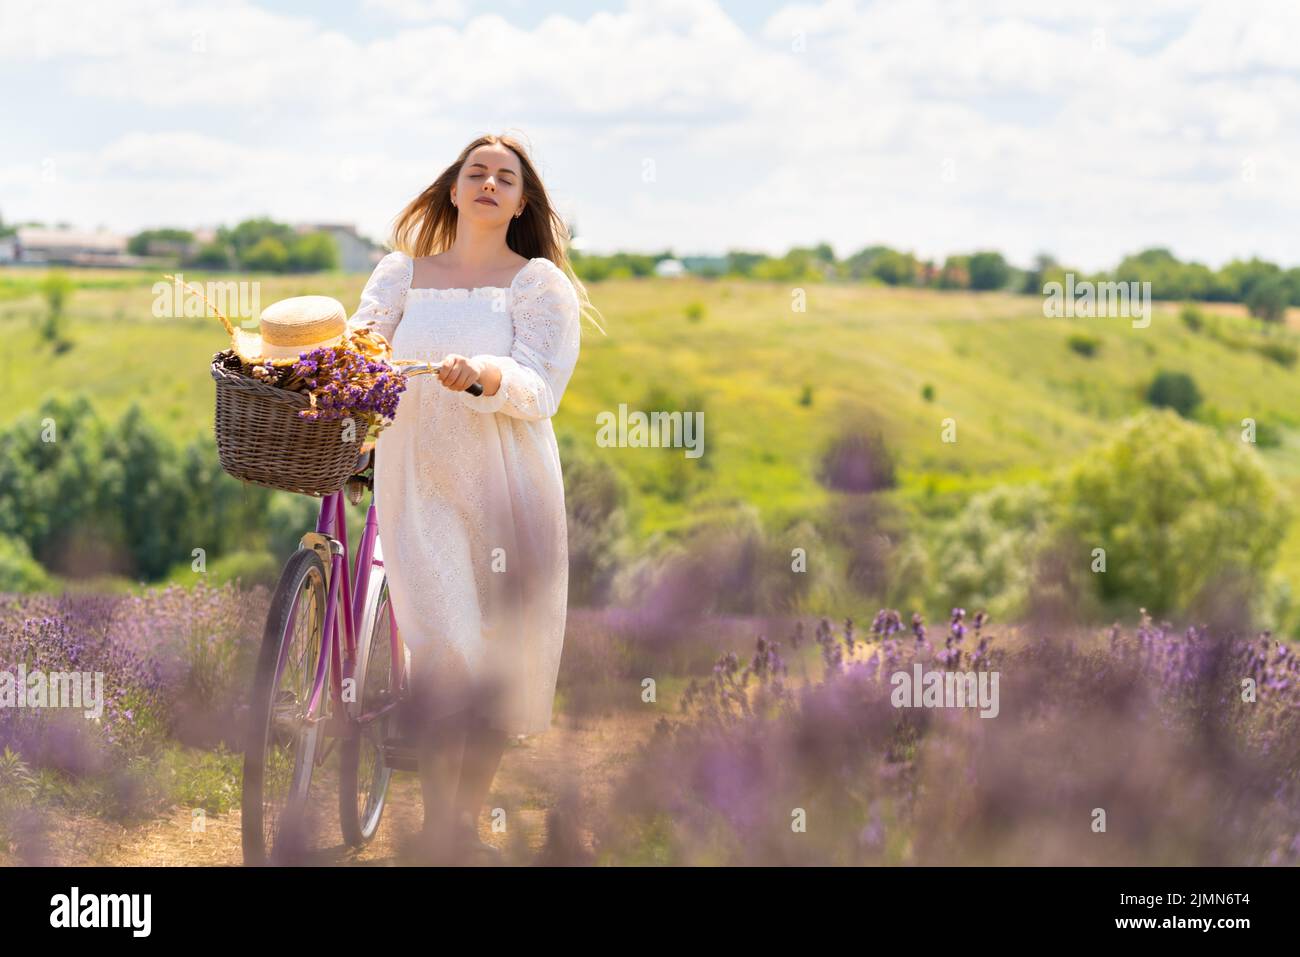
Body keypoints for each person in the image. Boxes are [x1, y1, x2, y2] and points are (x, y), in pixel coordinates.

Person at [346, 133, 604, 864]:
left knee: (495, 661)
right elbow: (362, 348)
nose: (489, 183)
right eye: (476, 172)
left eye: (506, 177)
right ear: (453, 190)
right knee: (448, 649)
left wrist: (484, 374)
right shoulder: (401, 276)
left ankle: (451, 832)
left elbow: (540, 387)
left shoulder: (538, 284)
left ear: (522, 201)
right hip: (418, 477)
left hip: (506, 484)